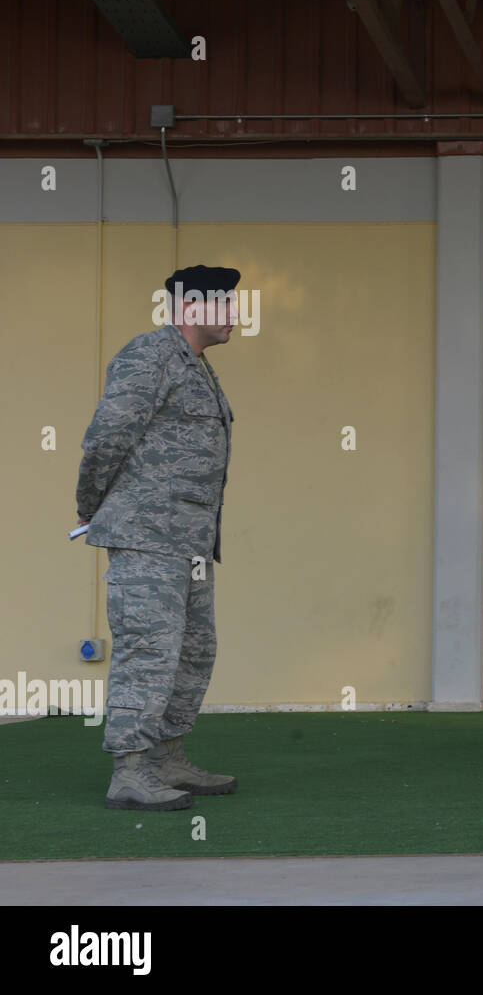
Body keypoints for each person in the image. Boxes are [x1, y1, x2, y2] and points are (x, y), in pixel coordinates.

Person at [76, 264, 241, 811]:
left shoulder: (198, 366)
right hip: (147, 535)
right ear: (191, 307)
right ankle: (130, 771)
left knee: (194, 651)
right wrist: (94, 506)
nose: (235, 315)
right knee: (149, 651)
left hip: (190, 542)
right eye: (224, 304)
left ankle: (167, 757)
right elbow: (106, 438)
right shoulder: (150, 355)